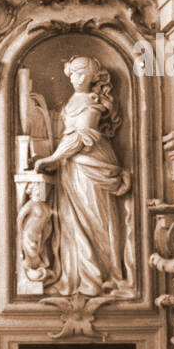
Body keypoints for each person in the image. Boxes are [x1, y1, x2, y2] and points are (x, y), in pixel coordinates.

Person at [33, 55, 132, 296]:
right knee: (72, 221)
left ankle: (102, 275)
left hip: (91, 165)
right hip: (71, 167)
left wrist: (52, 159)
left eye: (82, 74)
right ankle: (79, 277)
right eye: (74, 73)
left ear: (93, 77)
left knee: (95, 220)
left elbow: (80, 138)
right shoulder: (73, 100)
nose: (77, 78)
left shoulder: (92, 101)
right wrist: (56, 158)